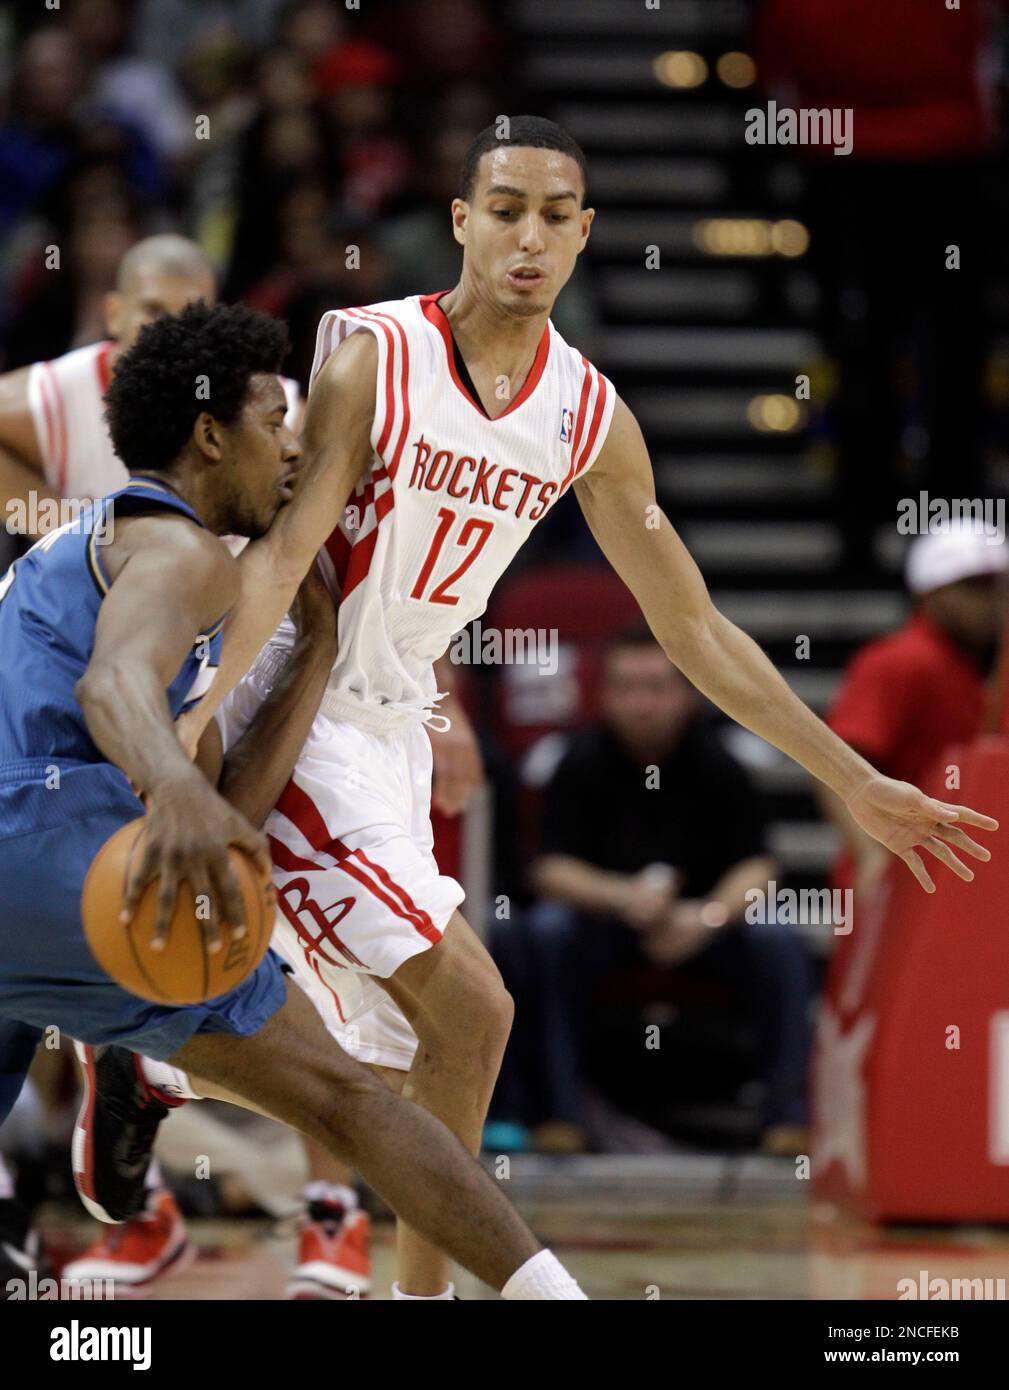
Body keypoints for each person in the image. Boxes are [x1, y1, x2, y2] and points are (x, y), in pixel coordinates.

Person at [161, 116, 997, 1302]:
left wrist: (848, 776)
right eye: (504, 207)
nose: (529, 235)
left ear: (586, 234)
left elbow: (691, 625)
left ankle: (152, 1064)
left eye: (556, 214)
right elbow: (287, 546)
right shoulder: (372, 356)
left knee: (395, 1065)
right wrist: (188, 730)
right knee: (474, 1011)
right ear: (460, 220)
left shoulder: (589, 418)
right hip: (294, 703)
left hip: (390, 725)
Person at [0, 300, 586, 1303]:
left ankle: (149, 1074)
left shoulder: (76, 555)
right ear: (210, 434)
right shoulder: (179, 551)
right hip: (62, 875)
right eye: (278, 423)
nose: (297, 450)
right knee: (363, 1095)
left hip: (41, 910)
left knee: (366, 1077)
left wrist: (313, 647)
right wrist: (177, 789)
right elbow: (115, 689)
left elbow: (234, 794)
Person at [525, 627, 812, 1155]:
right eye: (627, 687)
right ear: (605, 694)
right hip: (608, 924)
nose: (641, 703)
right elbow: (549, 870)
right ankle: (558, 1115)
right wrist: (619, 896)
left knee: (777, 940)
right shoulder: (579, 761)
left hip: (704, 928)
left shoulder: (721, 762)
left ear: (686, 693)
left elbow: (759, 865)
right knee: (545, 932)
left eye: (656, 687)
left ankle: (786, 1118)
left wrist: (706, 918)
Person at [818, 522, 1009, 901]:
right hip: (902, 870)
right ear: (930, 591)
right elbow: (831, 767)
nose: (990, 603)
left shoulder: (987, 667)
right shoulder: (898, 662)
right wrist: (871, 856)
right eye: (973, 587)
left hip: (965, 872)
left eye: (997, 587)